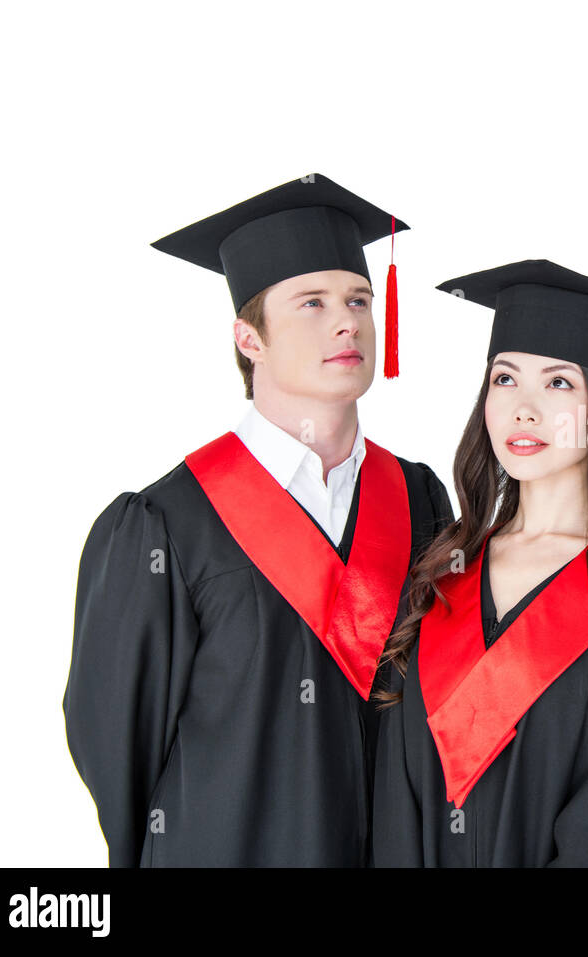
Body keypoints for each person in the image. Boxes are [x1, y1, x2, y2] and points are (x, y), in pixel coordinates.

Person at [63, 174, 453, 866]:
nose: (347, 321)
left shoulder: (418, 498)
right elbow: (116, 744)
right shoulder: (166, 525)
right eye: (312, 303)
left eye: (358, 299)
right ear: (249, 337)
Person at [372, 260, 588, 866]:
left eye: (558, 384)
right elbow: (396, 793)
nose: (523, 409)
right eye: (504, 379)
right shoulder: (439, 574)